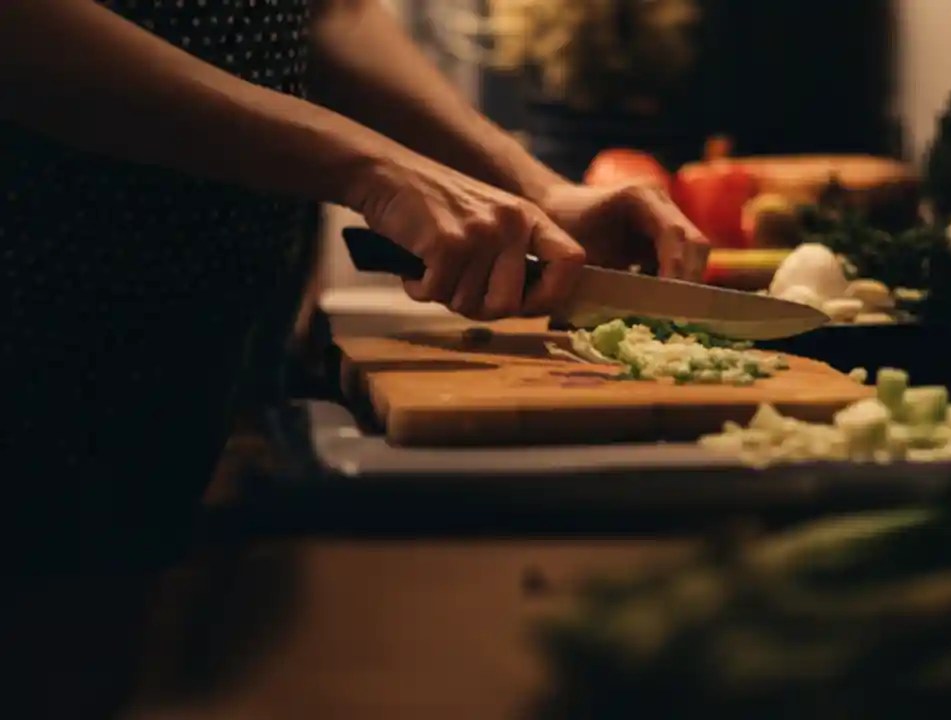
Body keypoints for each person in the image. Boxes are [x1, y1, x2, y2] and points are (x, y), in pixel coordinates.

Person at [0, 1, 708, 716]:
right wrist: (371, 167)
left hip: (204, 345)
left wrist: (541, 192)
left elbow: (324, 14)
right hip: (35, 327)